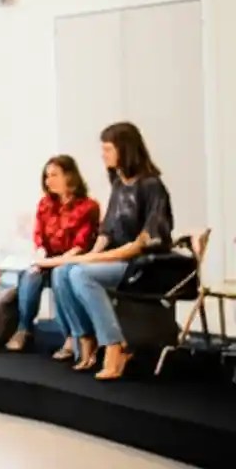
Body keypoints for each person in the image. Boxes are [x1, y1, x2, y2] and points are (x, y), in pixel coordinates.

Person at [37, 122, 174, 380]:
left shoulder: (151, 186)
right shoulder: (119, 185)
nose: (103, 155)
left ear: (126, 149)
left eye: (108, 149)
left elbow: (140, 244)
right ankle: (85, 338)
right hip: (117, 259)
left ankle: (115, 345)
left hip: (142, 264)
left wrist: (91, 258)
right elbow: (106, 232)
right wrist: (87, 255)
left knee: (81, 275)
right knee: (63, 272)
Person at [5, 155, 100, 353]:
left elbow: (81, 244)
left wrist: (56, 262)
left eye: (54, 175)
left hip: (74, 260)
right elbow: (39, 235)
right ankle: (24, 329)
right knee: (31, 275)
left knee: (60, 274)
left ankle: (70, 336)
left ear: (70, 176)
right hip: (50, 258)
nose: (49, 181)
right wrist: (40, 255)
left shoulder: (88, 206)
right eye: (47, 176)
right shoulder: (45, 204)